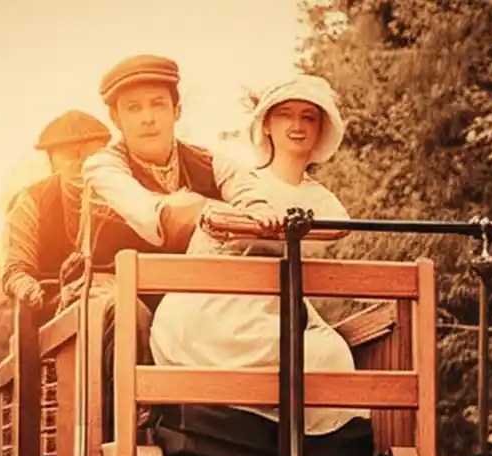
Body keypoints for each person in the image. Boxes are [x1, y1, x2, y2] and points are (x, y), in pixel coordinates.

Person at [63, 54, 281, 438]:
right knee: (130, 313)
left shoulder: (211, 161)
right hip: (107, 284)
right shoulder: (102, 168)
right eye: (134, 108)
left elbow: (254, 199)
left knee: (250, 310)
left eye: (158, 105)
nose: (147, 117)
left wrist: (262, 214)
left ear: (176, 110)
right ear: (117, 119)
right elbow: (155, 220)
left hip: (186, 287)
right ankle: (133, 430)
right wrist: (210, 212)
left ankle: (240, 426)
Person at [148, 74, 369, 436]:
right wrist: (239, 221)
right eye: (285, 115)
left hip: (271, 313)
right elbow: (207, 232)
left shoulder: (326, 204)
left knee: (331, 356)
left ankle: (292, 445)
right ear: (267, 124)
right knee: (206, 329)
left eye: (308, 117)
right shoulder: (239, 182)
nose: (296, 126)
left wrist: (278, 231)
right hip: (214, 308)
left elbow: (323, 238)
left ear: (320, 128)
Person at [1, 110, 111, 311]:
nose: (82, 164)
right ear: (52, 163)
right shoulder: (31, 201)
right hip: (53, 314)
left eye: (92, 155)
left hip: (117, 302)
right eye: (72, 155)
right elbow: (15, 270)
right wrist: (29, 290)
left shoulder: (126, 196)